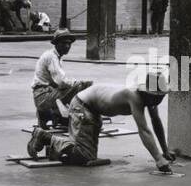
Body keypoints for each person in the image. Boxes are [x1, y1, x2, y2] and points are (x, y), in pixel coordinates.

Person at [26, 70, 177, 173]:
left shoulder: (149, 100)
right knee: (84, 156)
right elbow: (144, 129)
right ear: (147, 92)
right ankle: (44, 136)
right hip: (83, 105)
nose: (159, 99)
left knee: (87, 155)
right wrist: (158, 159)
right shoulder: (134, 96)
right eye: (157, 96)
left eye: (162, 96)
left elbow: (156, 122)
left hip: (94, 108)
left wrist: (164, 151)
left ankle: (57, 145)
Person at [30, 29, 92, 128]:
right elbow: (61, 82)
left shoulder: (56, 56)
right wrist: (78, 84)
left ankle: (53, 114)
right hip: (42, 96)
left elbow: (56, 82)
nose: (67, 46)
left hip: (44, 93)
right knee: (82, 86)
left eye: (69, 44)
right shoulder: (52, 57)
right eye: (64, 43)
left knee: (77, 87)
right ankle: (72, 113)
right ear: (56, 44)